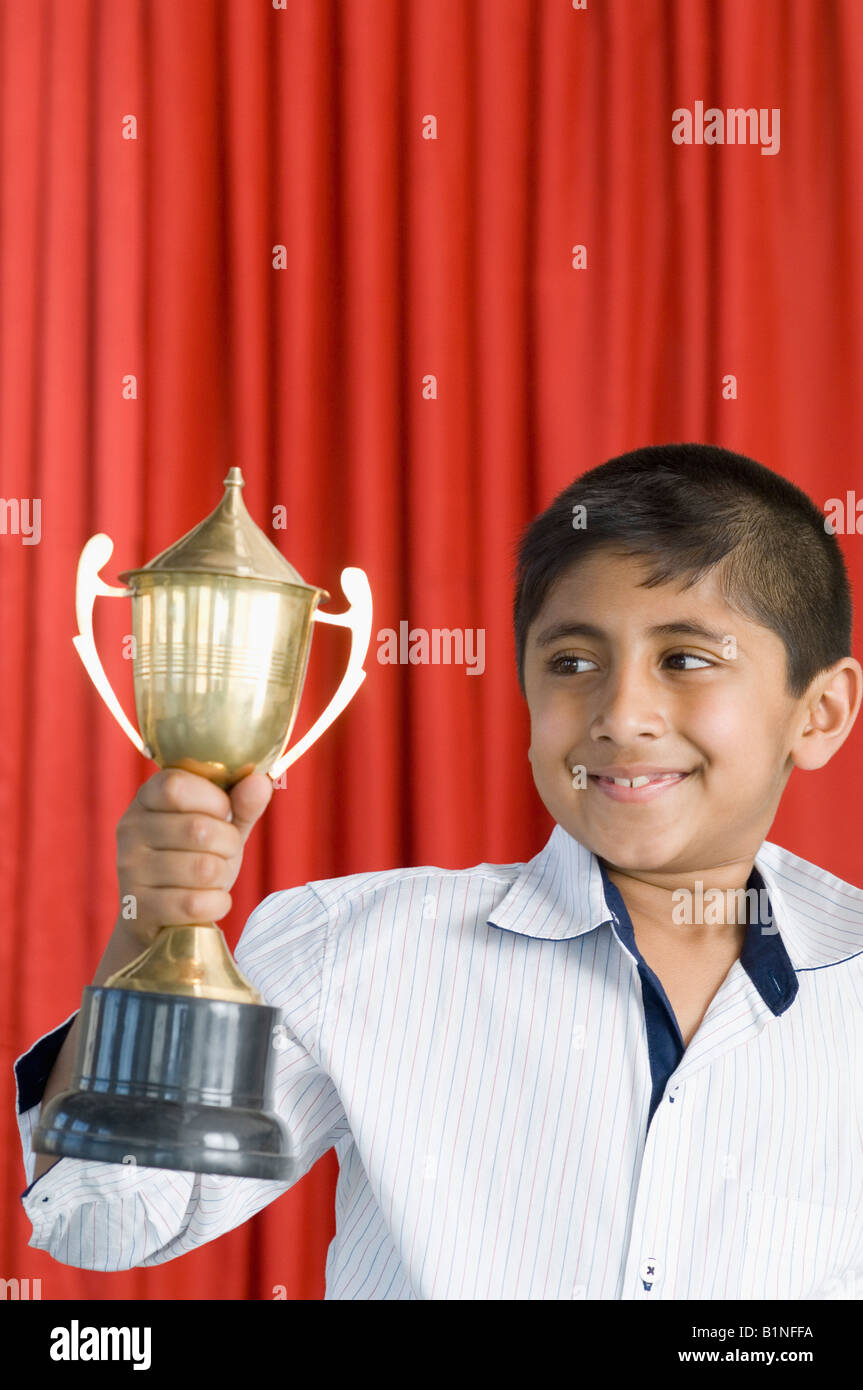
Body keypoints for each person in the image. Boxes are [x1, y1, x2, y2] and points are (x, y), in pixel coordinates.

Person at [14, 442, 863, 1300]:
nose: (621, 713)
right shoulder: (350, 949)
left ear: (819, 712)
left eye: (683, 659)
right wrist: (153, 930)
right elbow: (104, 1218)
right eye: (571, 662)